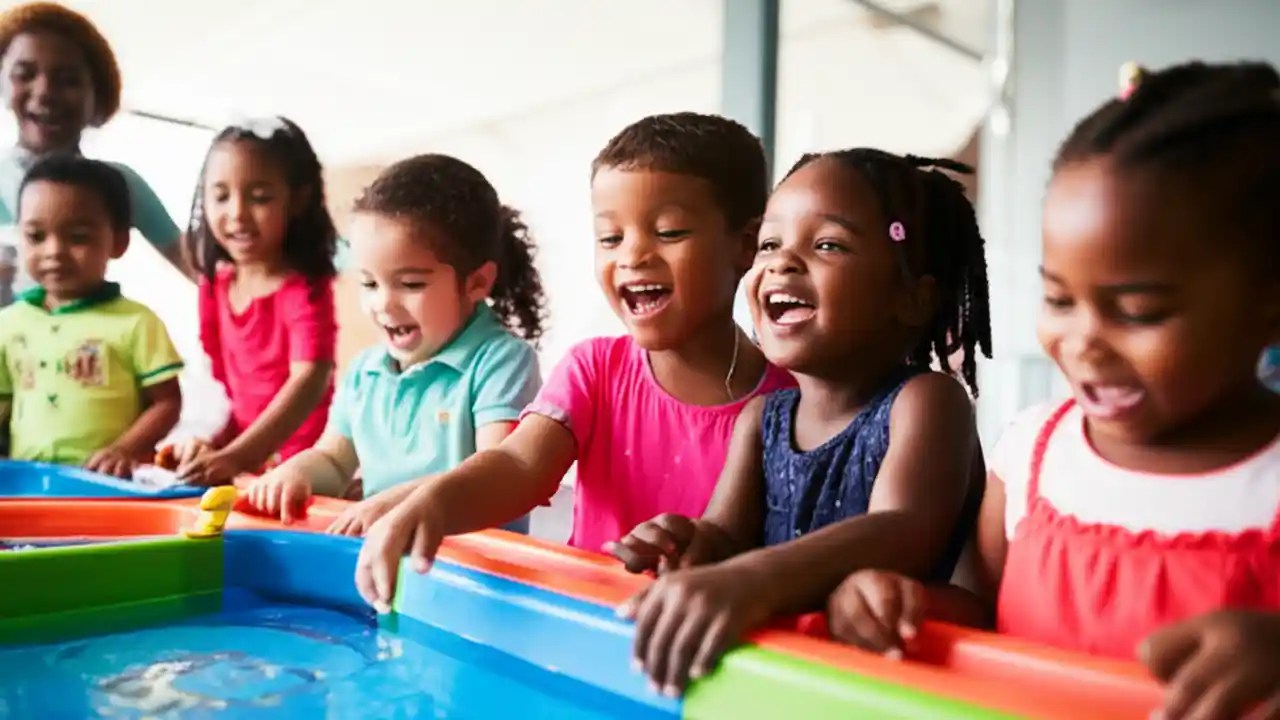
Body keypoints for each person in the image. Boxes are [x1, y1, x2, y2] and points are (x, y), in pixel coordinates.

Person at [829, 61, 1280, 720]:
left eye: (1139, 311)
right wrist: (899, 602)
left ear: (1269, 303)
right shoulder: (1033, 455)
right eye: (1058, 298)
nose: (1084, 341)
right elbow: (979, 607)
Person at [353, 112, 796, 611]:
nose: (632, 256)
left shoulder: (791, 406)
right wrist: (433, 504)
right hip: (581, 628)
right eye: (610, 238)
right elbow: (519, 463)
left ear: (746, 244)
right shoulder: (595, 370)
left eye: (669, 232)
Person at [609, 148, 992, 694]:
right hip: (793, 678)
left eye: (827, 244)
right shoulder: (763, 417)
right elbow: (724, 535)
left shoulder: (928, 401)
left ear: (910, 297)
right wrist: (686, 545)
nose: (781, 263)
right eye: (769, 244)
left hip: (897, 682)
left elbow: (902, 529)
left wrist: (752, 580)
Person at [243, 154, 545, 536]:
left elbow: (498, 474)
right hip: (385, 561)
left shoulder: (501, 362)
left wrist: (398, 504)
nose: (382, 304)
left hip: (474, 573)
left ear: (477, 283)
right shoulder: (365, 372)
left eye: (411, 284)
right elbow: (335, 460)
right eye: (369, 284)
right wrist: (295, 472)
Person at [170, 117, 337, 486]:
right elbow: (225, 386)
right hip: (245, 457)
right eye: (221, 195)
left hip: (307, 463)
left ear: (297, 199)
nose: (238, 214)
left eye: (260, 197)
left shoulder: (304, 289)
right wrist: (212, 443)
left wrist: (239, 455)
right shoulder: (215, 284)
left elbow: (309, 378)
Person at [0, 156, 181, 476]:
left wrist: (124, 449)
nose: (54, 251)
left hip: (106, 484)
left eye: (78, 237)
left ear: (119, 242)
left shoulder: (137, 322)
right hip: (25, 481)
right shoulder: (9, 322)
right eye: (36, 236)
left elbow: (166, 403)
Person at [0, 2, 187, 306]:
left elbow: (199, 266)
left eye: (68, 80)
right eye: (25, 74)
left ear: (98, 99)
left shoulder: (118, 184)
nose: (45, 91)